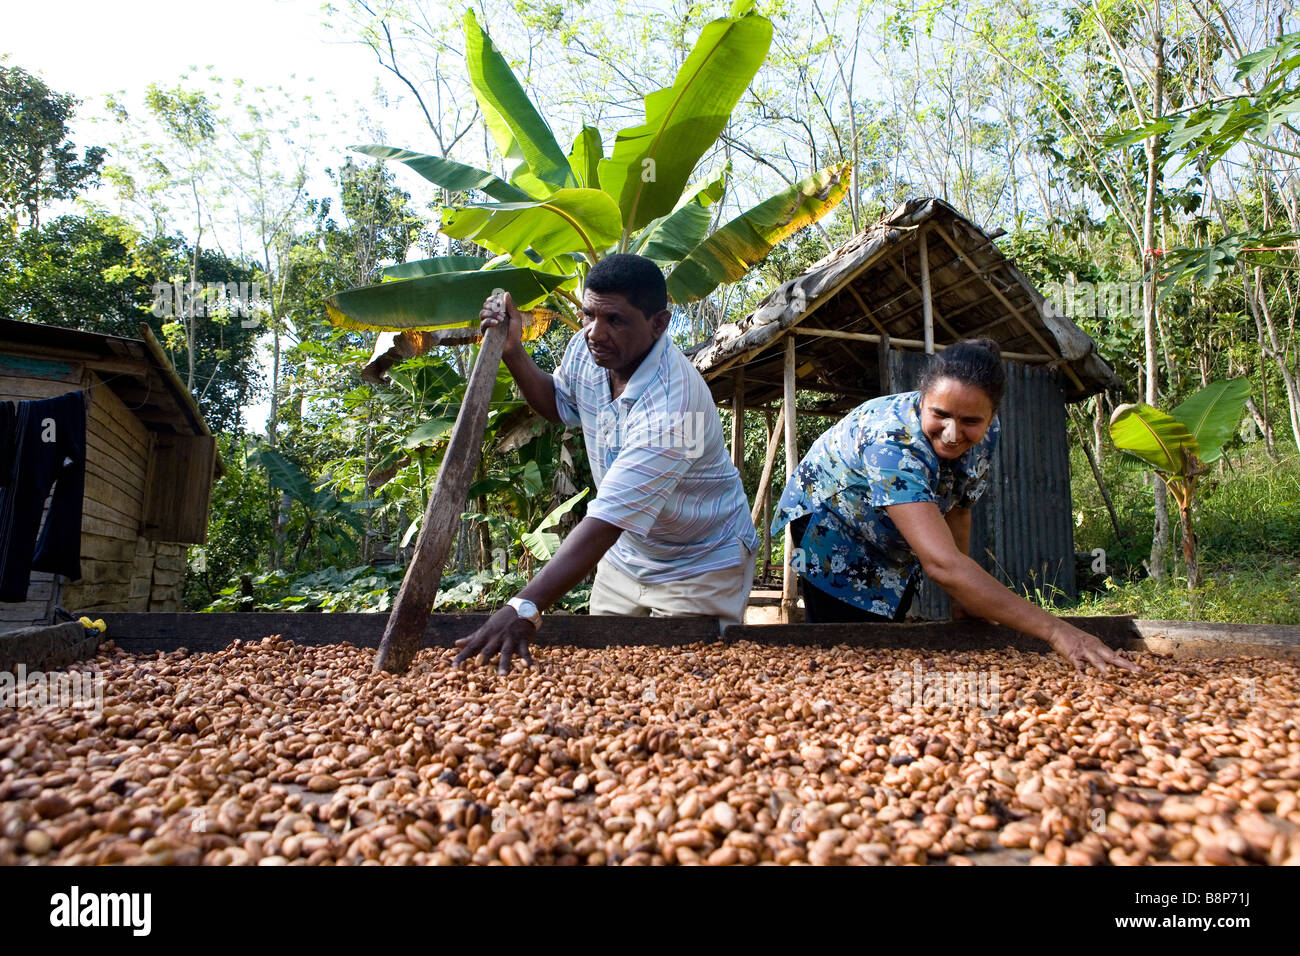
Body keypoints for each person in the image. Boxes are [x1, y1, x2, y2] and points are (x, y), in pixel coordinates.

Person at [454, 254, 759, 672]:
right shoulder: (586, 349)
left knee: (684, 681)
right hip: (628, 555)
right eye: (589, 314)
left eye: (615, 320)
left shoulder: (675, 405)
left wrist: (524, 608)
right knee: (603, 672)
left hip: (698, 561)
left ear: (659, 323)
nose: (596, 332)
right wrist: (513, 353)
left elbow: (608, 519)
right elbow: (559, 403)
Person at [771, 338, 1139, 675]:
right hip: (833, 523)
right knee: (850, 649)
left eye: (970, 421)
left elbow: (959, 508)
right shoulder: (891, 442)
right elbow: (942, 563)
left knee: (887, 636)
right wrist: (1060, 632)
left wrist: (962, 600)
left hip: (888, 534)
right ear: (922, 398)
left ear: (991, 416)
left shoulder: (986, 434)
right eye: (940, 415)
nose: (952, 433)